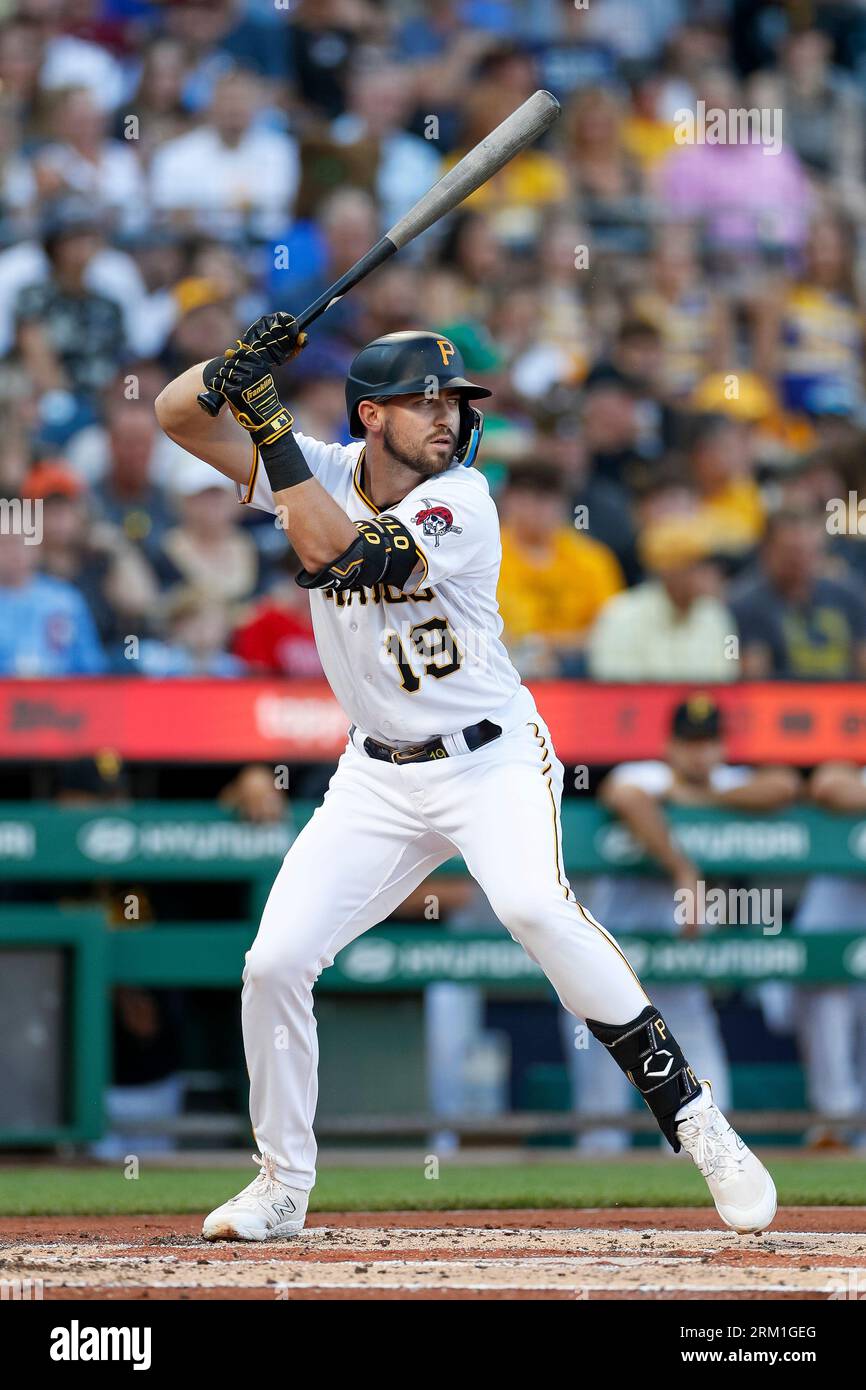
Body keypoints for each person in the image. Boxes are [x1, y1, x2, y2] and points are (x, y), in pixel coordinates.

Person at [156, 316, 778, 1241]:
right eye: (421, 401)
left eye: (451, 399)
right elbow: (176, 416)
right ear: (372, 415)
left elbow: (340, 555)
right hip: (374, 775)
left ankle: (697, 1119)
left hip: (489, 757)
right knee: (275, 962)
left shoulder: (466, 500)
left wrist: (272, 427)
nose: (445, 415)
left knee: (534, 908)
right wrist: (237, 363)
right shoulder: (321, 469)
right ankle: (282, 1183)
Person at [568, 695, 799, 1151]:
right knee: (602, 1112)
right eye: (690, 742)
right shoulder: (647, 774)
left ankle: (699, 1191)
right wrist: (682, 869)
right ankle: (593, 1213)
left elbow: (786, 785)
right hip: (611, 961)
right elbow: (622, 793)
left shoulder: (720, 781)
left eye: (708, 741)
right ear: (671, 744)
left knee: (706, 1089)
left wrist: (704, 797)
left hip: (678, 962)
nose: (699, 753)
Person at [793, 762, 866, 1147]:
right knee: (830, 1039)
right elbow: (827, 785)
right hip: (827, 943)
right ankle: (833, 1128)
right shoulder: (854, 776)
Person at [496, 463, 624, 677]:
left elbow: (611, 628)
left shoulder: (591, 558)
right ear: (508, 500)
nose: (537, 509)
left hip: (576, 666)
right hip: (503, 660)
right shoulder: (485, 551)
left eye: (547, 499)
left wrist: (548, 644)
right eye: (527, 497)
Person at [730, 509, 866, 679]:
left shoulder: (849, 596)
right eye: (792, 552)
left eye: (809, 552)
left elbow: (863, 663)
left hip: (844, 701)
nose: (801, 561)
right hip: (779, 701)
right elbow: (754, 678)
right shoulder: (745, 605)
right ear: (767, 551)